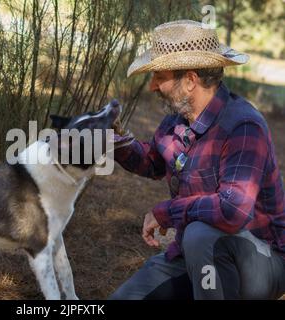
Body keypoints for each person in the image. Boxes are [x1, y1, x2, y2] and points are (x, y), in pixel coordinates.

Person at [109, 20, 285, 300]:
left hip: (262, 259)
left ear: (190, 80)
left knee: (199, 234)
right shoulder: (176, 121)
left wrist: (166, 211)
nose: (153, 86)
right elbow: (154, 162)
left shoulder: (243, 126)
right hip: (196, 254)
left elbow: (233, 209)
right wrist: (117, 144)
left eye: (159, 76)